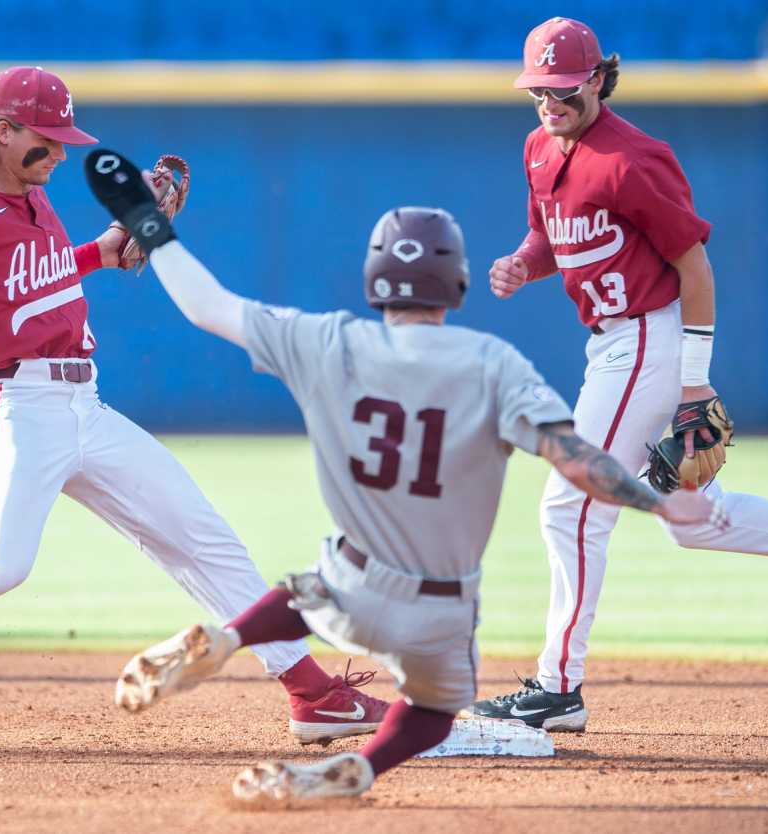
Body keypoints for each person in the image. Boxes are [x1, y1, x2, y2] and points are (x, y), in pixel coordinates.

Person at [84, 149, 724, 801]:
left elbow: (209, 306)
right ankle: (360, 770)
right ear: (458, 283)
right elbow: (575, 459)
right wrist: (659, 502)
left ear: (373, 278)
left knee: (314, 588)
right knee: (433, 712)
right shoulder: (492, 364)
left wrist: (145, 220)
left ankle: (228, 636)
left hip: (353, 586)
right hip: (441, 612)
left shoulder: (327, 341)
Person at [0, 66, 386, 759]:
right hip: (17, 407)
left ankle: (313, 692)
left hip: (86, 405)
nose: (59, 152)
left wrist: (102, 252)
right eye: (45, 139)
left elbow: (35, 278)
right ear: (1, 132)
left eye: (62, 139)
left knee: (203, 538)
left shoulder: (33, 199)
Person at [471, 17, 768, 733]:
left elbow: (694, 266)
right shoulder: (539, 148)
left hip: (650, 343)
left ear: (596, 79)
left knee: (571, 505)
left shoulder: (633, 160)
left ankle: (559, 687)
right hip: (613, 346)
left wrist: (694, 383)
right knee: (696, 519)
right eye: (538, 89)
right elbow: (547, 235)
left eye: (562, 89)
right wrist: (524, 264)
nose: (549, 102)